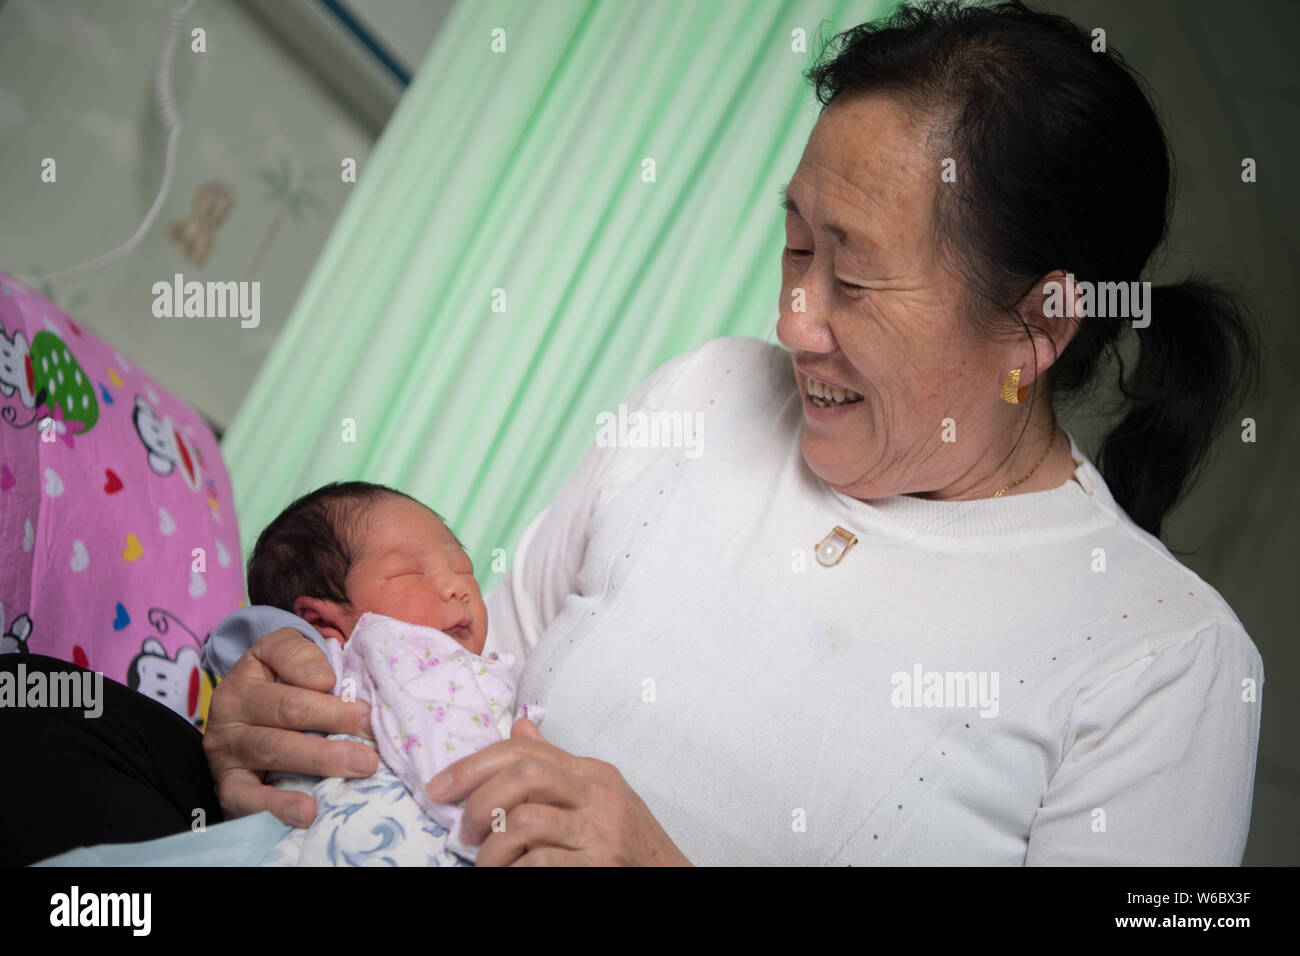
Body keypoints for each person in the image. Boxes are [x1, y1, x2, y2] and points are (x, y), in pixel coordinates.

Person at [2, 1, 1265, 867]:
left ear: (1036, 327)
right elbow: (470, 666)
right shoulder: (710, 393)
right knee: (51, 740)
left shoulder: (1161, 663)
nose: (793, 317)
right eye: (793, 242)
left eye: (854, 278)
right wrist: (276, 728)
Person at [239, 480, 542, 865]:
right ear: (318, 619)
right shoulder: (390, 645)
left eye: (464, 570)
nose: (456, 586)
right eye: (408, 574)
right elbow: (452, 759)